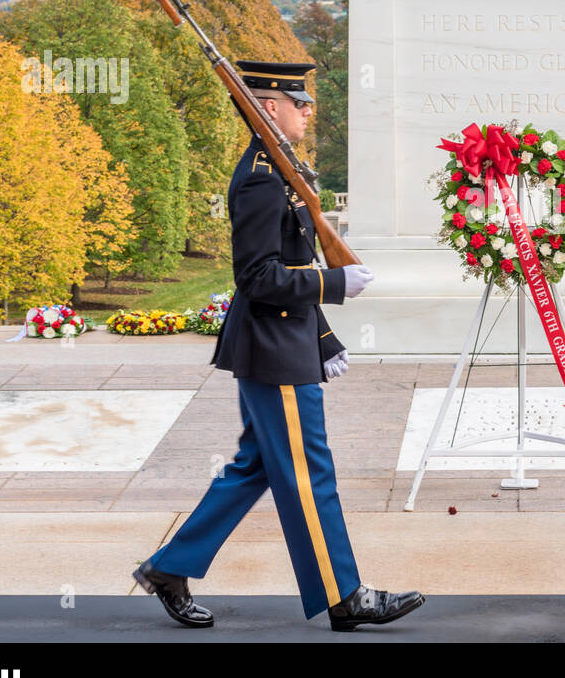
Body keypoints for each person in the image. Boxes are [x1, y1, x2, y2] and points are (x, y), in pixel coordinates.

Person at [132, 60, 424, 632]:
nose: (309, 110)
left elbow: (286, 264)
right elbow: (259, 277)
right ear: (269, 108)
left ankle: (170, 568)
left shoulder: (282, 168)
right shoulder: (263, 178)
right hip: (273, 346)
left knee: (257, 466)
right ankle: (346, 596)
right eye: (300, 102)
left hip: (283, 340)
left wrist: (323, 334)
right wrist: (333, 284)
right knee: (311, 471)